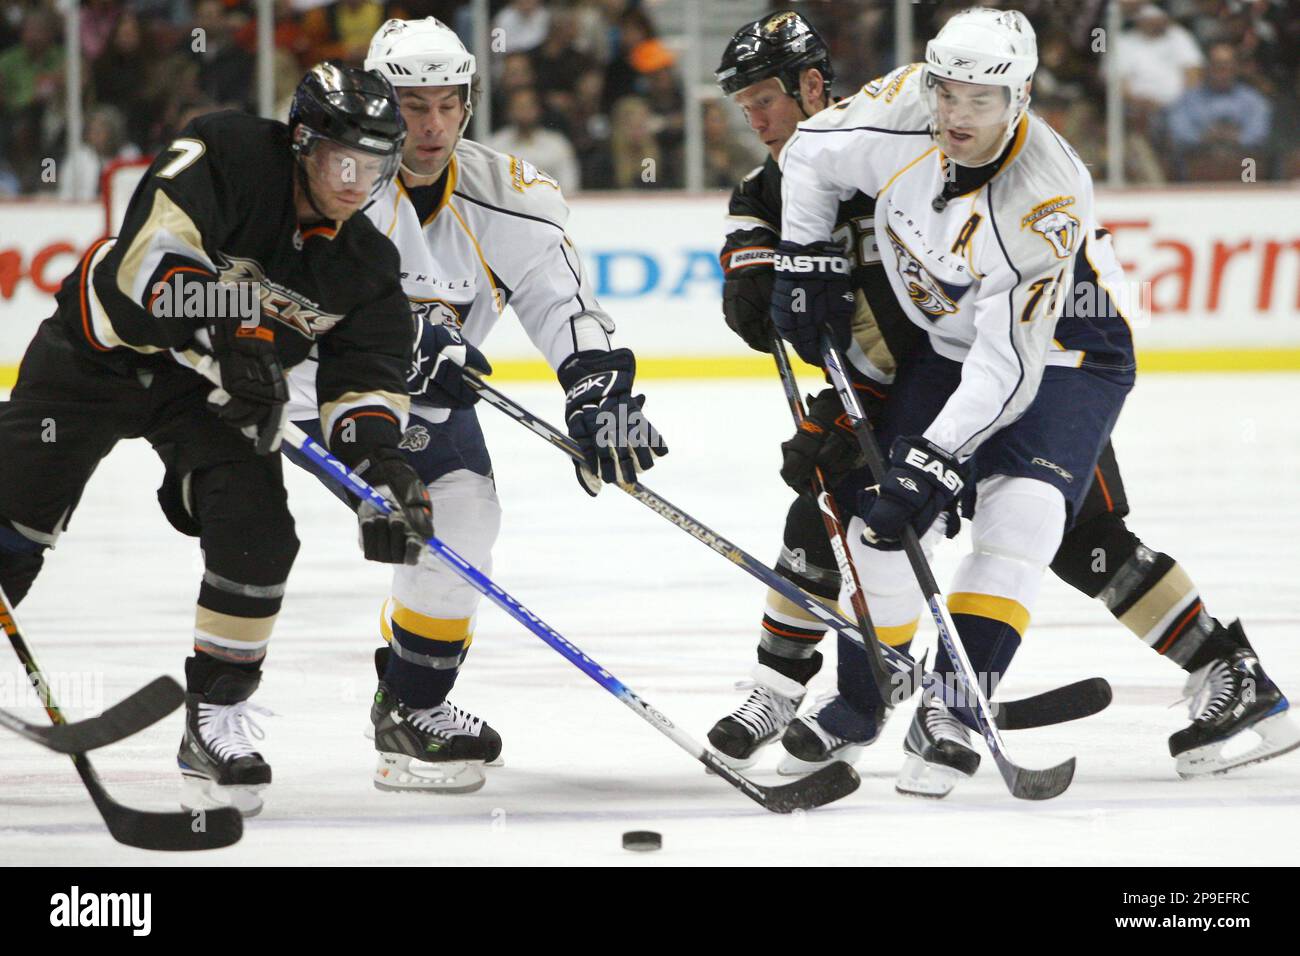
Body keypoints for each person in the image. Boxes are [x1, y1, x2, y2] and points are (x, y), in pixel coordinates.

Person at [710, 8, 1298, 789]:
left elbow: (1008, 365)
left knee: (1035, 516)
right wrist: (806, 257)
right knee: (871, 516)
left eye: (978, 100)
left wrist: (933, 456)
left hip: (1057, 350)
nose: (955, 115)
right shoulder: (885, 121)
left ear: (1018, 99)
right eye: (945, 93)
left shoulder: (1045, 197)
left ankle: (956, 698)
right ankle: (860, 697)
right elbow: (808, 170)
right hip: (945, 350)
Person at [0, 64, 431, 816]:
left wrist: (381, 469)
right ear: (303, 142)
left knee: (260, 535)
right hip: (96, 358)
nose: (358, 182)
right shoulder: (226, 151)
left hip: (204, 397)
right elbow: (150, 254)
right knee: (13, 528)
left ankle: (216, 716)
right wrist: (231, 330)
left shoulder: (364, 266)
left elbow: (365, 379)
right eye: (343, 161)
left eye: (376, 165)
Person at [286, 17, 667, 794]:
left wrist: (597, 389)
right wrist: (392, 339)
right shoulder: (334, 179)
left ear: (469, 102)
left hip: (429, 395)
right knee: (395, 525)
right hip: (316, 389)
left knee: (465, 521)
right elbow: (288, 298)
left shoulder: (510, 195)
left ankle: (410, 706)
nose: (429, 126)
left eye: (446, 105)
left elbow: (562, 303)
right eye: (411, 104)